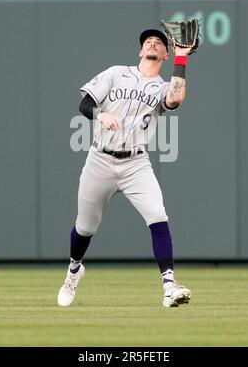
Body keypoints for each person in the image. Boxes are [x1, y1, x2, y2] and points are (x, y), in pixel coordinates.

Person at [57, 28, 191, 308]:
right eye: (147, 41)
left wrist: (182, 58)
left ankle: (169, 286)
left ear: (164, 54)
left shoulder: (163, 87)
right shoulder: (116, 73)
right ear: (141, 51)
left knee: (157, 214)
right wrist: (100, 114)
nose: (152, 42)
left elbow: (176, 99)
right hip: (100, 159)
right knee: (85, 227)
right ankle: (73, 271)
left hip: (135, 163)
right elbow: (85, 104)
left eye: (158, 42)